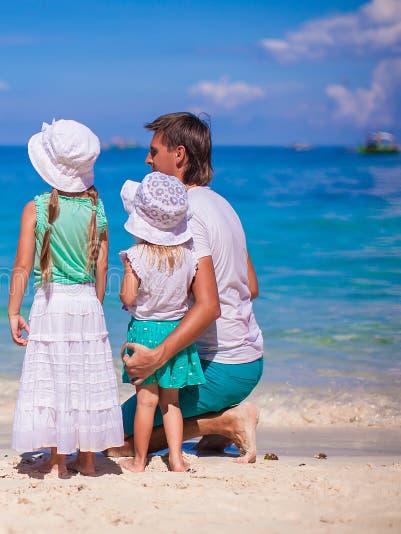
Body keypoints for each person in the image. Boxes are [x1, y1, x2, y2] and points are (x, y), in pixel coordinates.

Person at [106, 112, 263, 463]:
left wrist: (156, 357)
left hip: (217, 366)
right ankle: (214, 423)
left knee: (110, 439)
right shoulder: (224, 205)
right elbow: (249, 287)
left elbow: (209, 306)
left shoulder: (186, 215)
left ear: (178, 155)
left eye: (154, 151)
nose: (147, 159)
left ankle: (225, 422)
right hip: (248, 360)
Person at [9, 119, 124, 477]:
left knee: (57, 377)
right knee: (84, 381)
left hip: (52, 302)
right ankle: (87, 460)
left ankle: (58, 459)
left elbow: (23, 265)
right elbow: (102, 266)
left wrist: (13, 310)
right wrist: (96, 304)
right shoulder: (97, 209)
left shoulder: (38, 208)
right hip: (87, 301)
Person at [117, 172, 206, 473]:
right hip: (176, 332)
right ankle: (177, 460)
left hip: (144, 331)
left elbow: (128, 297)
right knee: (172, 402)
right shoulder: (188, 255)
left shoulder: (135, 255)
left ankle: (140, 461)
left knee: (146, 401)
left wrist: (127, 274)